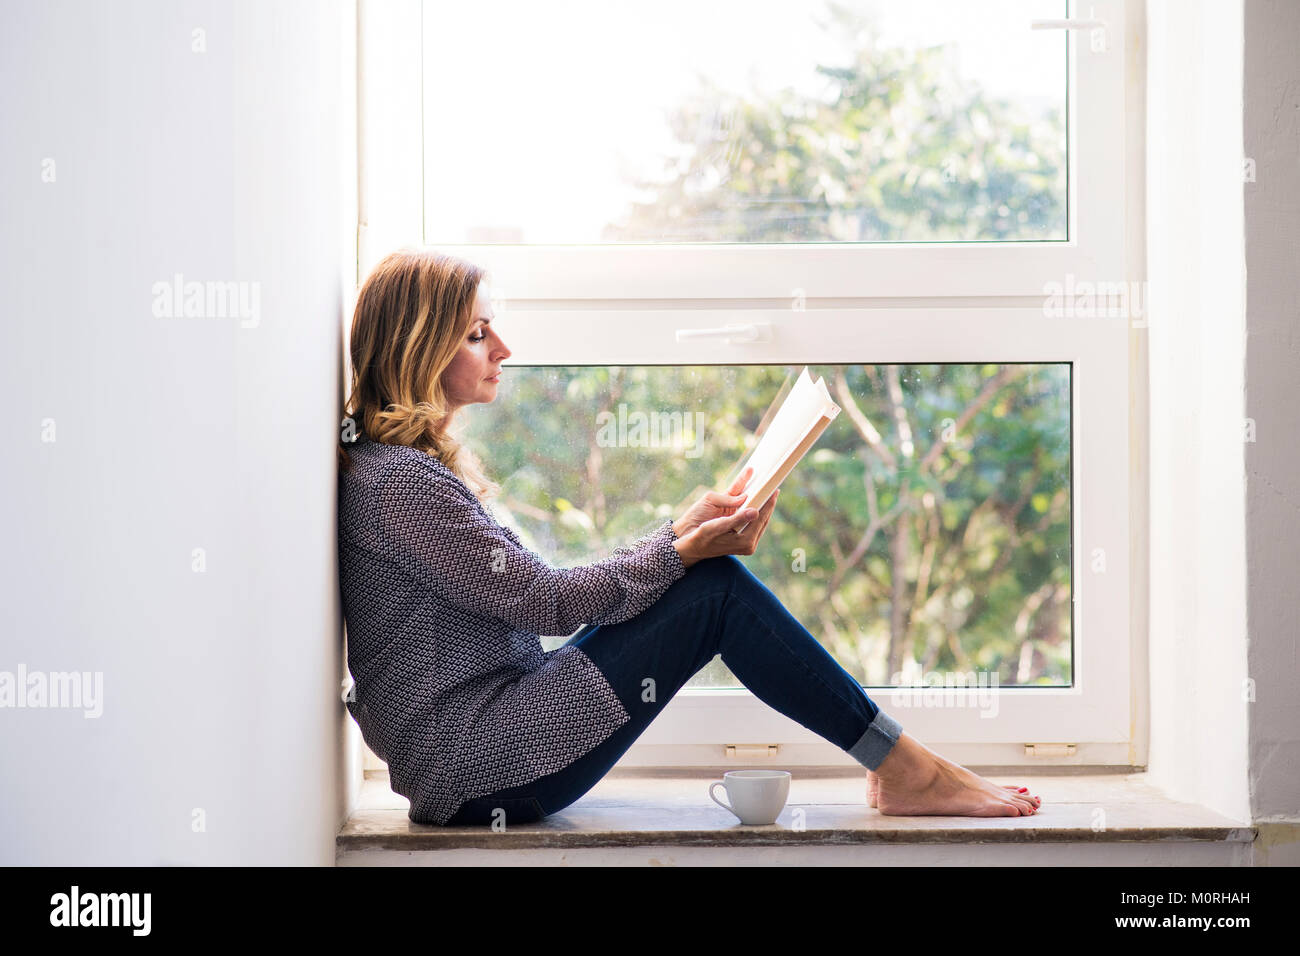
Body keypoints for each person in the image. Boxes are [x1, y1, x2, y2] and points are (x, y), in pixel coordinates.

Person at [337, 248, 1042, 827]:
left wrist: (680, 532)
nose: (504, 348)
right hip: (477, 767)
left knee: (706, 582)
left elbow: (541, 593)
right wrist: (682, 551)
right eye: (476, 333)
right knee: (715, 593)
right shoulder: (400, 484)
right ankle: (909, 771)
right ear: (418, 347)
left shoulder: (402, 471)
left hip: (486, 741)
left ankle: (904, 768)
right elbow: (546, 603)